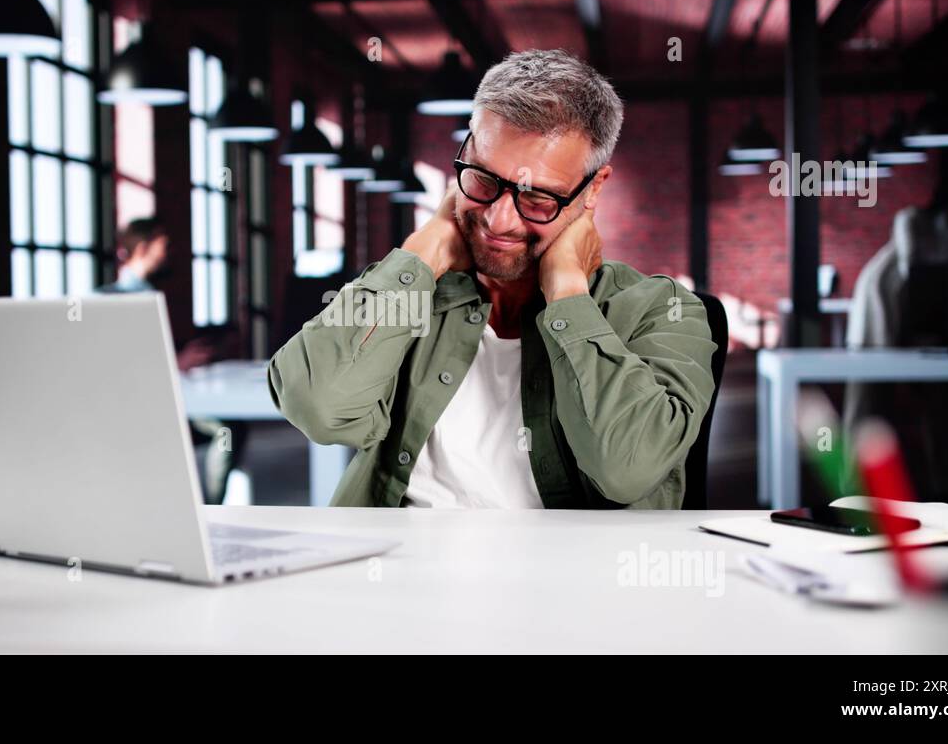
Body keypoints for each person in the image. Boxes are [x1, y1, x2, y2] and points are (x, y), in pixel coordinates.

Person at [269, 49, 715, 509]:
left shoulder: (661, 310)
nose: (500, 221)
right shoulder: (411, 286)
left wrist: (567, 292)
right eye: (483, 178)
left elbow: (628, 470)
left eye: (538, 197)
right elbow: (317, 408)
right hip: (398, 571)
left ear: (593, 188)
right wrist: (427, 246)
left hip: (570, 578)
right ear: (464, 152)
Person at [844, 157, 948, 500]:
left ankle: (947, 483)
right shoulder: (911, 218)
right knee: (869, 400)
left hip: (925, 313)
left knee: (940, 397)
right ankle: (853, 486)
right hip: (884, 301)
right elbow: (915, 268)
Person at [98, 217, 248, 504]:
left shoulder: (147, 293)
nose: (169, 253)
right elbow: (109, 362)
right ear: (143, 248)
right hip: (142, 404)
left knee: (233, 426)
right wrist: (176, 361)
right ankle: (212, 510)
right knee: (229, 429)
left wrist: (184, 355)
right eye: (163, 246)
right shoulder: (108, 299)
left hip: (166, 394)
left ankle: (210, 507)